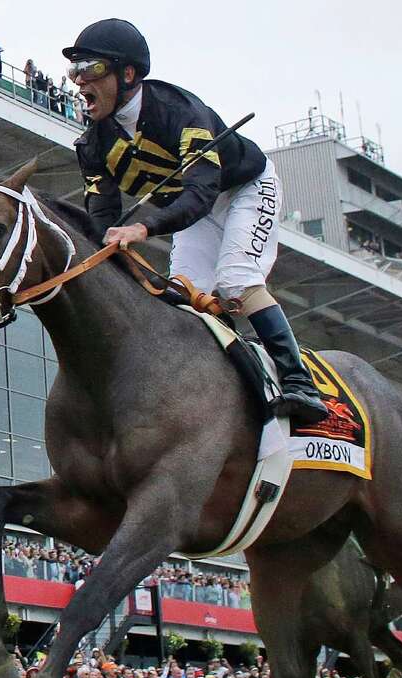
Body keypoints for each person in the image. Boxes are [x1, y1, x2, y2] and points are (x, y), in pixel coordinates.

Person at [63, 19, 328, 425]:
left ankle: (299, 382)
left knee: (236, 278)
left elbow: (202, 194)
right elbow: (102, 218)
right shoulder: (93, 142)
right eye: (74, 71)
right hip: (193, 209)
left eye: (91, 69)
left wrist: (144, 228)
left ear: (127, 73)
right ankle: (234, 389)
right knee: (187, 296)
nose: (80, 82)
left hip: (243, 189)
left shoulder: (181, 113)